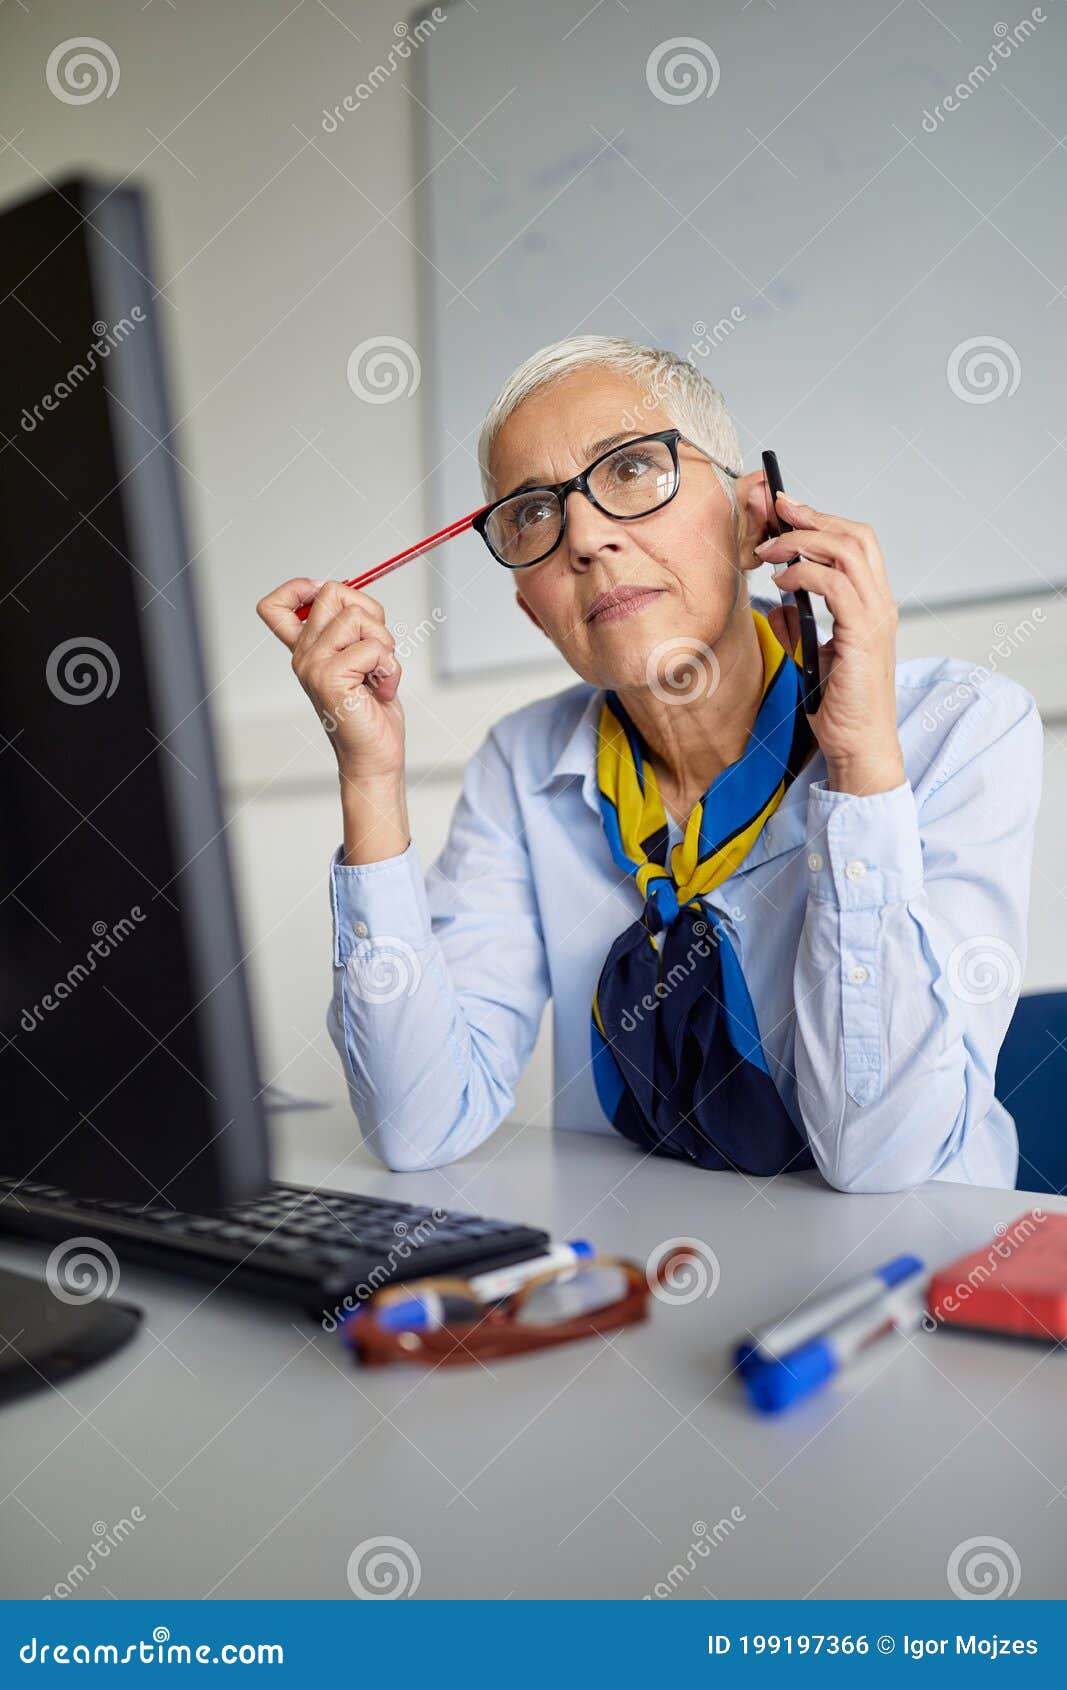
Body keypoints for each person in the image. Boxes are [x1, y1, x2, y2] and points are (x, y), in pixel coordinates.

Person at [257, 335, 1042, 1192]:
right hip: (635, 1283)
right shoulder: (521, 767)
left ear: (756, 524)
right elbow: (418, 1125)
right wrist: (369, 778)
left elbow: (883, 1161)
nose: (585, 539)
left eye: (631, 468)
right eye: (532, 513)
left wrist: (859, 770)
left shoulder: (955, 726)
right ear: (534, 611)